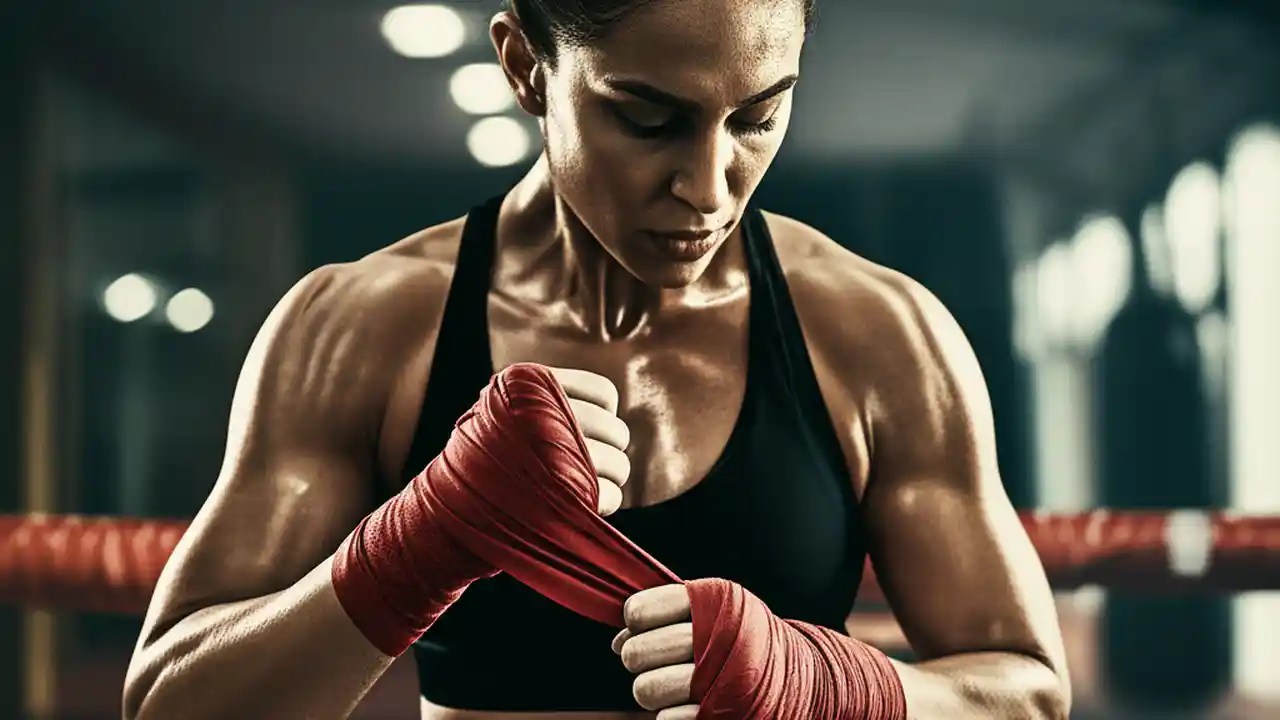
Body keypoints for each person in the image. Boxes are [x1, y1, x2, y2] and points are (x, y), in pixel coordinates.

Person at [122, 0, 1071, 718]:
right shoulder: (366, 328)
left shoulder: (877, 335)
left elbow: (1025, 691)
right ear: (527, 65)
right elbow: (169, 700)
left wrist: (833, 686)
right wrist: (421, 542)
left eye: (756, 118)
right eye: (649, 120)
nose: (708, 188)